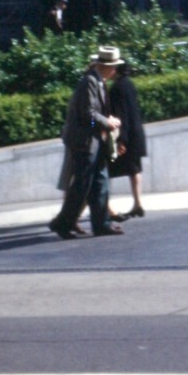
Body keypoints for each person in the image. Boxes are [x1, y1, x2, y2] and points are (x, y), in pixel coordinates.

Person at [49, 44, 125, 239]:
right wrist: (107, 122)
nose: (115, 70)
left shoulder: (98, 81)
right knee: (82, 184)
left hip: (94, 140)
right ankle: (62, 223)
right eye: (113, 66)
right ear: (103, 66)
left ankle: (101, 224)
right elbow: (88, 115)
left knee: (100, 182)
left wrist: (105, 124)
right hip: (84, 142)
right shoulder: (89, 82)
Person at [109, 60, 148, 219]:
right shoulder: (129, 84)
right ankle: (138, 203)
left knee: (105, 172)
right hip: (136, 132)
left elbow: (120, 114)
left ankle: (107, 208)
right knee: (134, 169)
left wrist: (120, 140)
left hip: (126, 134)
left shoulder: (116, 88)